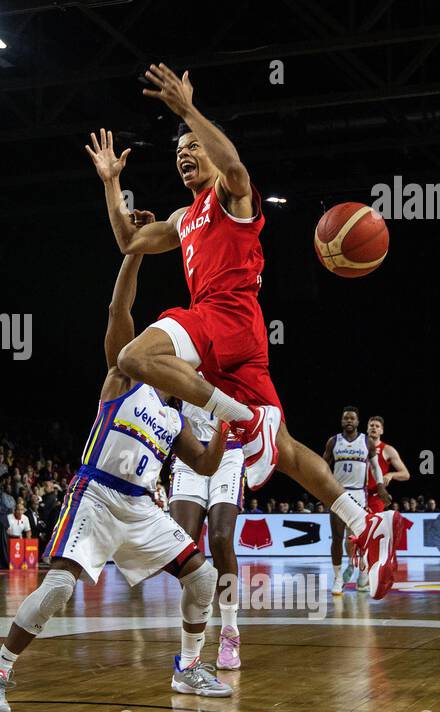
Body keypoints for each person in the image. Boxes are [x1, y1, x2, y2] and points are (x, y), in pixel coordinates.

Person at [85, 66, 397, 598]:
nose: (185, 155)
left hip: (223, 316)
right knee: (288, 449)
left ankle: (238, 416)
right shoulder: (184, 217)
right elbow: (126, 241)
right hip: (238, 340)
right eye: (179, 151)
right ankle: (364, 525)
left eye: (192, 148)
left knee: (134, 359)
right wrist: (112, 183)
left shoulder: (234, 198)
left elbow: (233, 164)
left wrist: (187, 111)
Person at [0, 252, 231, 712]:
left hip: (141, 507)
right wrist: (134, 253)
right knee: (57, 590)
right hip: (95, 493)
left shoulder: (176, 418)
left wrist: (231, 425)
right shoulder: (125, 376)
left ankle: (187, 668)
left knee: (203, 576)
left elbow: (207, 466)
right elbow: (118, 312)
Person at [168, 396, 246, 668]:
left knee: (221, 538)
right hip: (188, 452)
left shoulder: (235, 359)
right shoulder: (178, 358)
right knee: (182, 547)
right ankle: (197, 623)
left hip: (229, 451)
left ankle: (229, 631)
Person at [323, 408, 389, 594]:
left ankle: (363, 574)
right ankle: (337, 578)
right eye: (346, 418)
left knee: (360, 539)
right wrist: (323, 489)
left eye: (352, 418)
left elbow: (375, 467)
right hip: (338, 495)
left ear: (358, 421)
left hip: (359, 495)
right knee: (337, 538)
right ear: (342, 421)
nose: (349, 421)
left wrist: (381, 485)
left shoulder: (366, 442)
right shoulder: (333, 441)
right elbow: (323, 467)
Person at [364, 415, 409, 512]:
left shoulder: (388, 449)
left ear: (382, 431)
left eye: (377, 426)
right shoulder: (358, 446)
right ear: (367, 429)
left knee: (373, 526)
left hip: (376, 495)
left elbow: (406, 474)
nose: (374, 428)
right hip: (357, 492)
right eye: (371, 425)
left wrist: (391, 474)